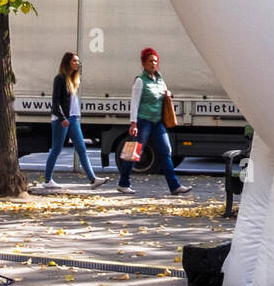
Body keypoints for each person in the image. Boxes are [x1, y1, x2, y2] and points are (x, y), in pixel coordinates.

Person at [118, 47, 191, 196]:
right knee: (134, 152)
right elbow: (134, 103)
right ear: (144, 63)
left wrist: (168, 94)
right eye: (150, 61)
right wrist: (133, 123)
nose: (153, 63)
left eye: (155, 61)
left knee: (166, 151)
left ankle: (174, 186)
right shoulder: (140, 81)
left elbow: (165, 93)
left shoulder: (160, 79)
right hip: (143, 121)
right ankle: (123, 183)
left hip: (158, 122)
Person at [44, 52, 107, 189]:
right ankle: (47, 180)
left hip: (73, 118)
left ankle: (93, 179)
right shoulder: (59, 79)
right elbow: (55, 102)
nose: (77, 63)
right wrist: (62, 118)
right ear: (67, 63)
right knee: (56, 149)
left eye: (78, 61)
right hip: (62, 119)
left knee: (81, 148)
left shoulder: (73, 80)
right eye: (74, 61)